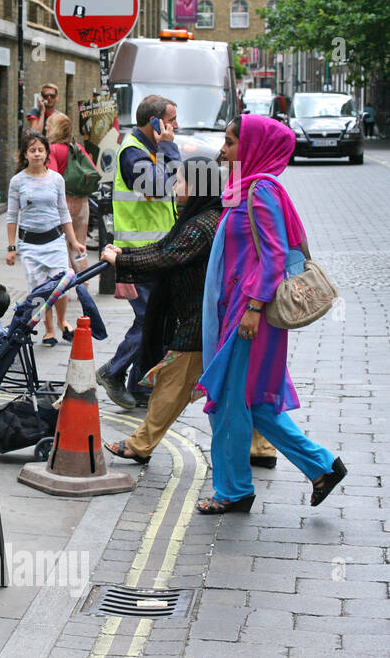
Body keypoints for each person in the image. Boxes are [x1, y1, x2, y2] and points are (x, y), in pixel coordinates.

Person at [195, 113, 345, 514]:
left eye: (230, 142)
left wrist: (255, 308)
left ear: (254, 147)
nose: (223, 150)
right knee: (253, 401)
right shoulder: (241, 188)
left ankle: (233, 490)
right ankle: (322, 466)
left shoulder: (260, 191)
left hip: (249, 315)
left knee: (229, 399)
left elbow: (276, 255)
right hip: (237, 310)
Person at [99, 157, 223, 464]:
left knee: (172, 382)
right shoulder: (197, 218)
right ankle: (259, 447)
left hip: (199, 322)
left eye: (180, 181)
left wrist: (122, 262)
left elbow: (166, 259)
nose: (175, 186)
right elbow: (163, 247)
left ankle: (140, 445)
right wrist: (124, 254)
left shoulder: (202, 225)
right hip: (199, 318)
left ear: (198, 186)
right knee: (235, 391)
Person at [96, 95, 182, 410]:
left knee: (158, 320)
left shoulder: (149, 150)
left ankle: (140, 386)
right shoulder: (133, 153)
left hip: (154, 252)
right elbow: (157, 187)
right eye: (171, 119)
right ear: (155, 122)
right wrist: (170, 148)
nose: (176, 126)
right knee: (150, 320)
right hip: (137, 253)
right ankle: (114, 372)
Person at [5, 131, 87, 346]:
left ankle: (62, 321)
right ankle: (49, 330)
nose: (37, 154)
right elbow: (12, 216)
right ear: (25, 154)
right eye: (32, 150)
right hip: (30, 245)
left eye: (40, 150)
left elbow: (63, 213)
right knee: (39, 290)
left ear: (47, 153)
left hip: (55, 241)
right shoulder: (17, 182)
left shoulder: (56, 179)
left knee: (61, 286)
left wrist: (74, 241)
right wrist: (11, 247)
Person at [46, 112, 97, 267]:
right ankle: (84, 286)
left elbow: (52, 178)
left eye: (48, 126)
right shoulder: (77, 148)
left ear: (55, 129)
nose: (46, 129)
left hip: (62, 203)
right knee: (80, 247)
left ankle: (65, 290)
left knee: (62, 248)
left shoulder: (52, 150)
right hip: (82, 202)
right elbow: (92, 170)